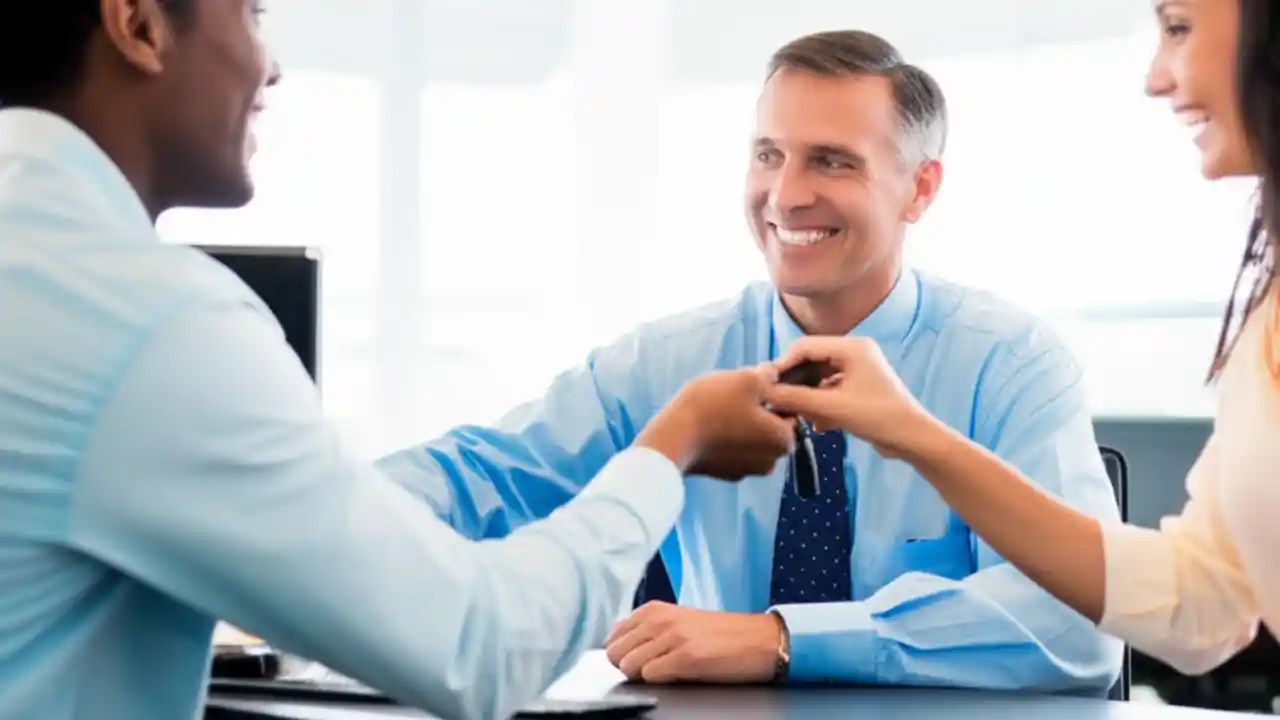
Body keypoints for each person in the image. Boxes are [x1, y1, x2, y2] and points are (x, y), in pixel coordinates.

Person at [0, 2, 798, 719]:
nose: (269, 64)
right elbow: (481, 645)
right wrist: (673, 449)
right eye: (251, 12)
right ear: (138, 24)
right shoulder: (151, 317)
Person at [378, 30, 1124, 692]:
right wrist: (307, 521)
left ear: (919, 188)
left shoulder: (1010, 365)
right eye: (769, 155)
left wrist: (782, 638)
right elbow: (481, 477)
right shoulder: (671, 364)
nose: (786, 195)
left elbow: (1081, 629)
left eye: (831, 162)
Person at [762, 0, 1279, 679]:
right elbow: (1201, 606)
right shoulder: (1265, 313)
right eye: (769, 154)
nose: (1157, 77)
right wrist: (915, 434)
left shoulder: (1012, 356)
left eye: (1178, 27)